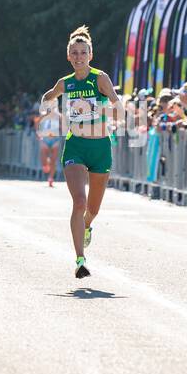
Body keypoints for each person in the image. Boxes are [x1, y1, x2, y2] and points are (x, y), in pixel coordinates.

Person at [39, 25, 120, 279]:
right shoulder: (65, 83)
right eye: (74, 53)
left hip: (100, 147)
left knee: (93, 209)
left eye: (83, 52)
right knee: (79, 202)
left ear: (90, 55)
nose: (78, 57)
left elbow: (118, 105)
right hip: (76, 145)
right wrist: (48, 102)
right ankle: (80, 259)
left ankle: (87, 225)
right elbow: (48, 97)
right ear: (68, 56)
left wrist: (113, 113)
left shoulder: (100, 78)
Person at [34, 99, 63, 186]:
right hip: (45, 138)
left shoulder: (59, 115)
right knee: (44, 156)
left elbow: (63, 125)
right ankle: (46, 163)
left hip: (55, 139)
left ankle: (51, 178)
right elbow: (36, 122)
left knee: (54, 160)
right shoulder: (43, 114)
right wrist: (38, 132)